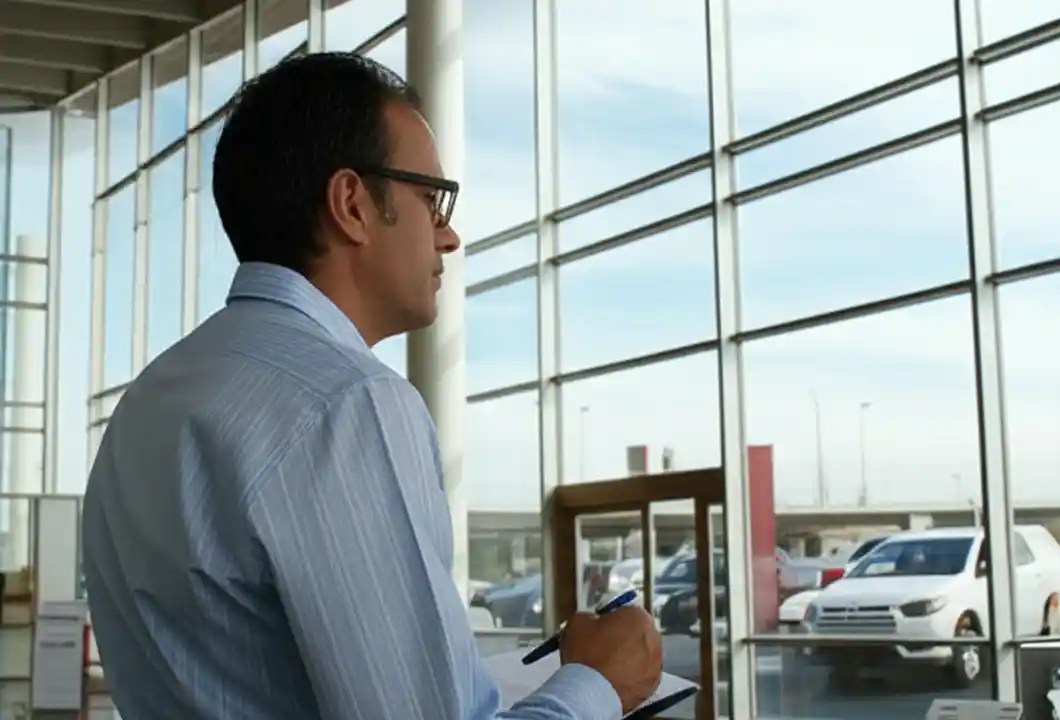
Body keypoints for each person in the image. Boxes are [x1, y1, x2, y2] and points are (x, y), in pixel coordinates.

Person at [82, 52, 661, 719]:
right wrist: (598, 684)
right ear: (352, 204)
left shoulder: (151, 403)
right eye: (431, 199)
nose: (449, 235)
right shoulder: (344, 404)